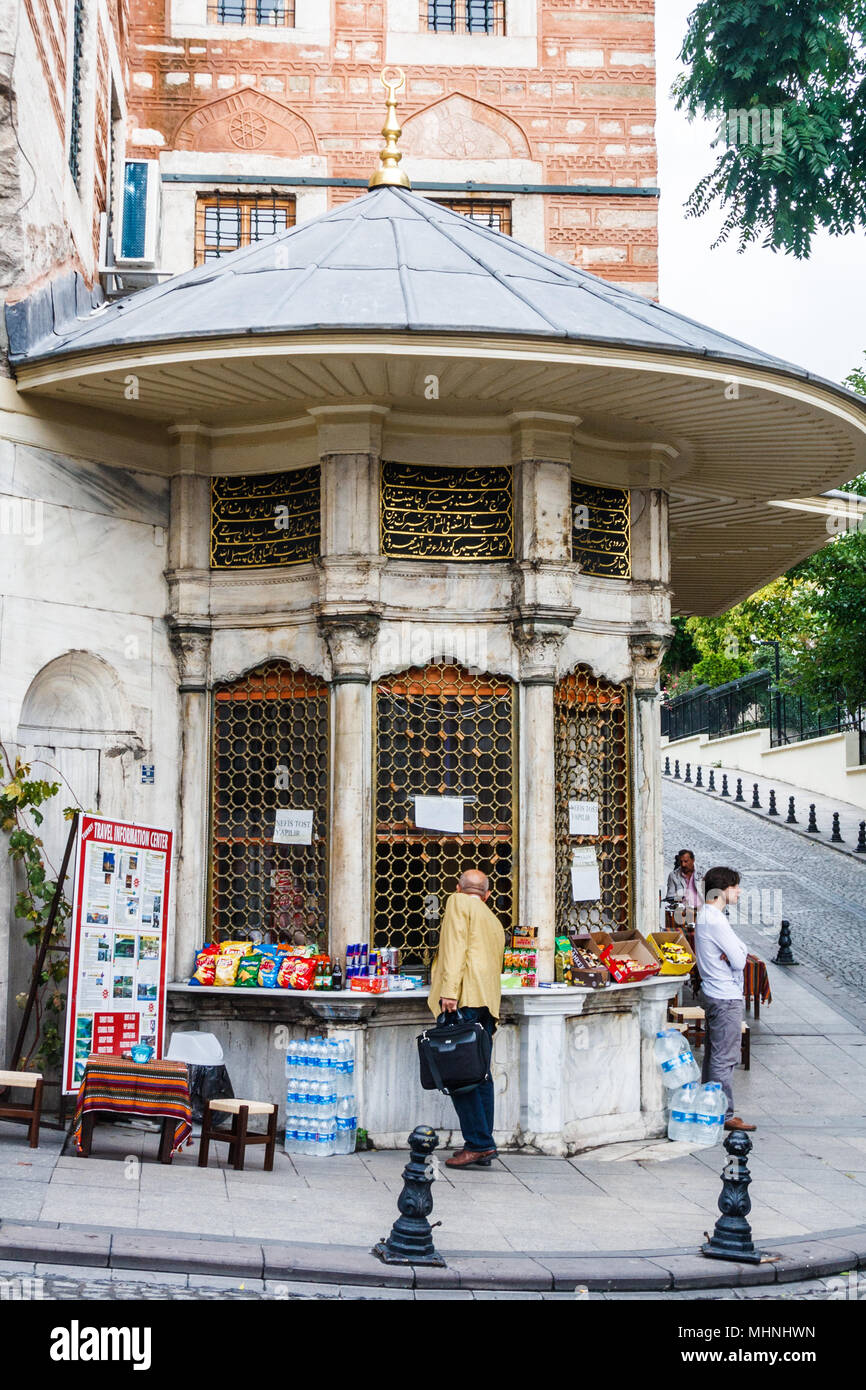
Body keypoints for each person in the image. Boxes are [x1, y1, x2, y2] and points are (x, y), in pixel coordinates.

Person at [428, 868, 505, 1170]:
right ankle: (482, 1143)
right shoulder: (493, 920)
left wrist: (449, 991)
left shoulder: (458, 903)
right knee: (480, 1075)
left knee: (461, 1077)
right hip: (485, 1004)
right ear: (487, 894)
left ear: (458, 889)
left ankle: (479, 1144)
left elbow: (455, 946)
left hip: (463, 1001)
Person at [694, 866, 755, 1133]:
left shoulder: (708, 916)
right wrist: (735, 954)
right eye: (735, 886)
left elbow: (740, 950)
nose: (739, 891)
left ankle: (709, 1106)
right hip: (725, 995)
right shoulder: (716, 920)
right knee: (724, 1057)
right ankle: (724, 1112)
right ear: (722, 890)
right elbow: (741, 959)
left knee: (714, 1054)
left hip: (715, 992)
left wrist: (735, 953)